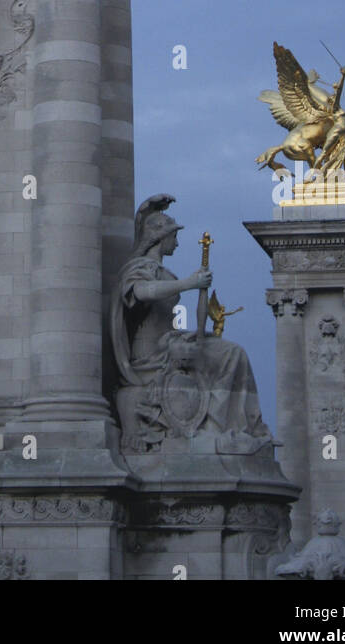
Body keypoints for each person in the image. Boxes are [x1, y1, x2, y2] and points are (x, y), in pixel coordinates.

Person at [109, 194, 272, 454]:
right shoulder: (141, 267)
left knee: (231, 351)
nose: (177, 241)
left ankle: (232, 427)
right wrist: (189, 283)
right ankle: (220, 427)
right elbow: (140, 292)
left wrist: (196, 323)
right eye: (174, 235)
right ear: (160, 238)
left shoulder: (160, 271)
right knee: (231, 354)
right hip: (153, 354)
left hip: (172, 342)